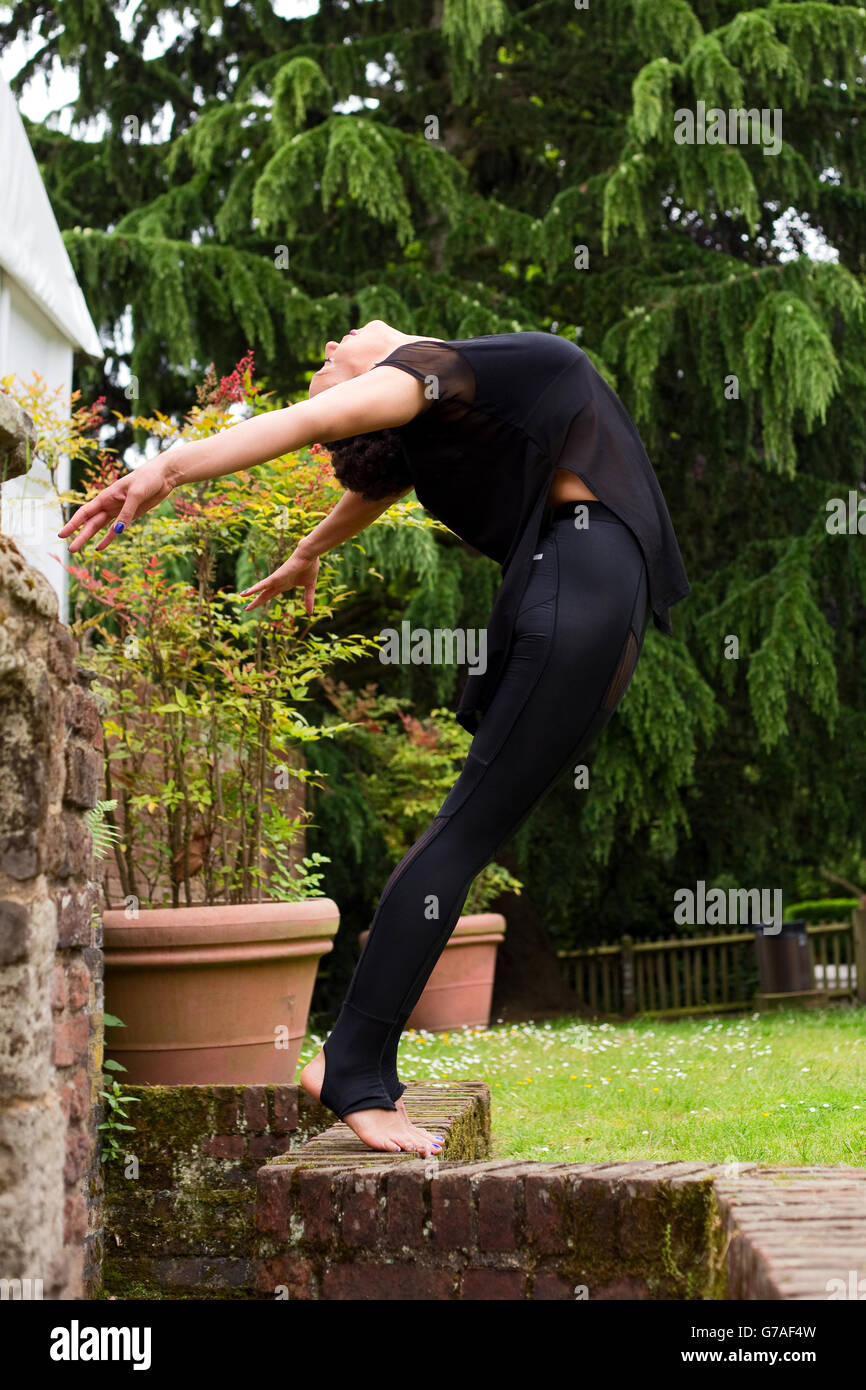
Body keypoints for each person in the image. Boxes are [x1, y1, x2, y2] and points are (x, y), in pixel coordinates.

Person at [58, 319, 690, 1158]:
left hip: (583, 588)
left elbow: (379, 476)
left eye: (325, 362)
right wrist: (165, 470)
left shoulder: (454, 395)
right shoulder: (430, 368)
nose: (327, 350)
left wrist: (309, 548)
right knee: (465, 835)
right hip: (582, 589)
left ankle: (362, 1061)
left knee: (468, 832)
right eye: (329, 368)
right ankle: (352, 1065)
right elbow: (317, 422)